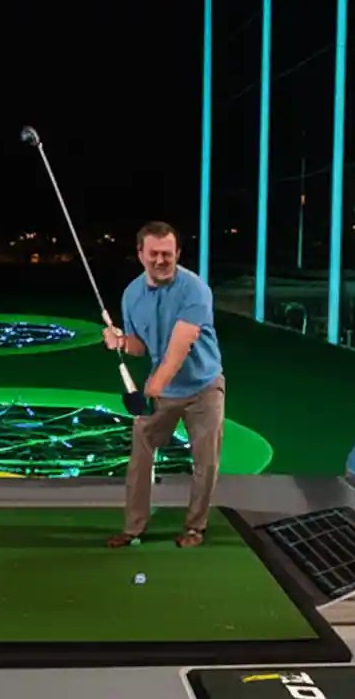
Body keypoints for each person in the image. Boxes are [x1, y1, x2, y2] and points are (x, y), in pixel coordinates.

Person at [102, 221, 224, 549]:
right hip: (163, 392)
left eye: (167, 254)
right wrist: (122, 342)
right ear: (141, 255)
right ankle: (133, 527)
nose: (161, 260)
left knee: (206, 461)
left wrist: (153, 385)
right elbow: (142, 346)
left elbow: (178, 347)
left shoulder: (195, 289)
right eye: (153, 254)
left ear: (178, 254)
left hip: (203, 387)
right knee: (140, 450)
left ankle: (195, 527)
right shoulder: (131, 295)